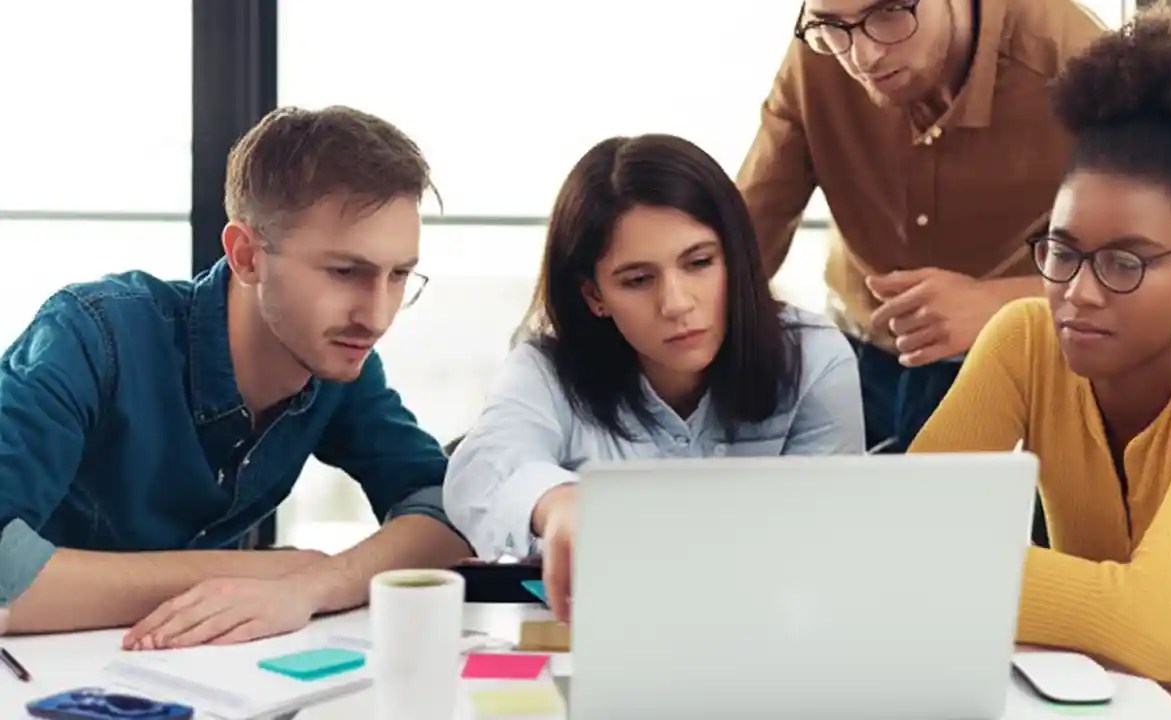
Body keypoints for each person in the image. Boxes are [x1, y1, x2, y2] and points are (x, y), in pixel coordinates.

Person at [909, 11, 1171, 718]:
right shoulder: (1024, 338)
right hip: (1116, 682)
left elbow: (1159, 627)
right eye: (1063, 249)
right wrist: (1123, 634)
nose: (1076, 292)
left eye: (1124, 263)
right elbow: (903, 531)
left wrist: (1138, 634)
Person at [0, 106, 471, 647]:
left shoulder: (340, 363)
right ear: (247, 256)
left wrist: (315, 585)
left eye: (399, 275)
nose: (378, 316)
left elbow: (443, 507)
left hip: (191, 677)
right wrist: (254, 573)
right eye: (345, 272)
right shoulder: (93, 335)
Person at [443, 134, 865, 621]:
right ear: (594, 295)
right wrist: (560, 502)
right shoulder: (546, 369)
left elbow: (827, 537)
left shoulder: (814, 359)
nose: (677, 303)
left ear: (736, 258)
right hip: (600, 644)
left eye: (700, 263)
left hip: (774, 637)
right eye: (638, 280)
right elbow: (481, 467)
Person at [738, 0, 1106, 455]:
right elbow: (745, 237)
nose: (863, 56)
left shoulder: (1078, 61)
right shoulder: (817, 53)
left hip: (1016, 361)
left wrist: (1001, 304)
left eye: (890, 11)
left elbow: (1157, 265)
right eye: (832, 26)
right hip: (853, 355)